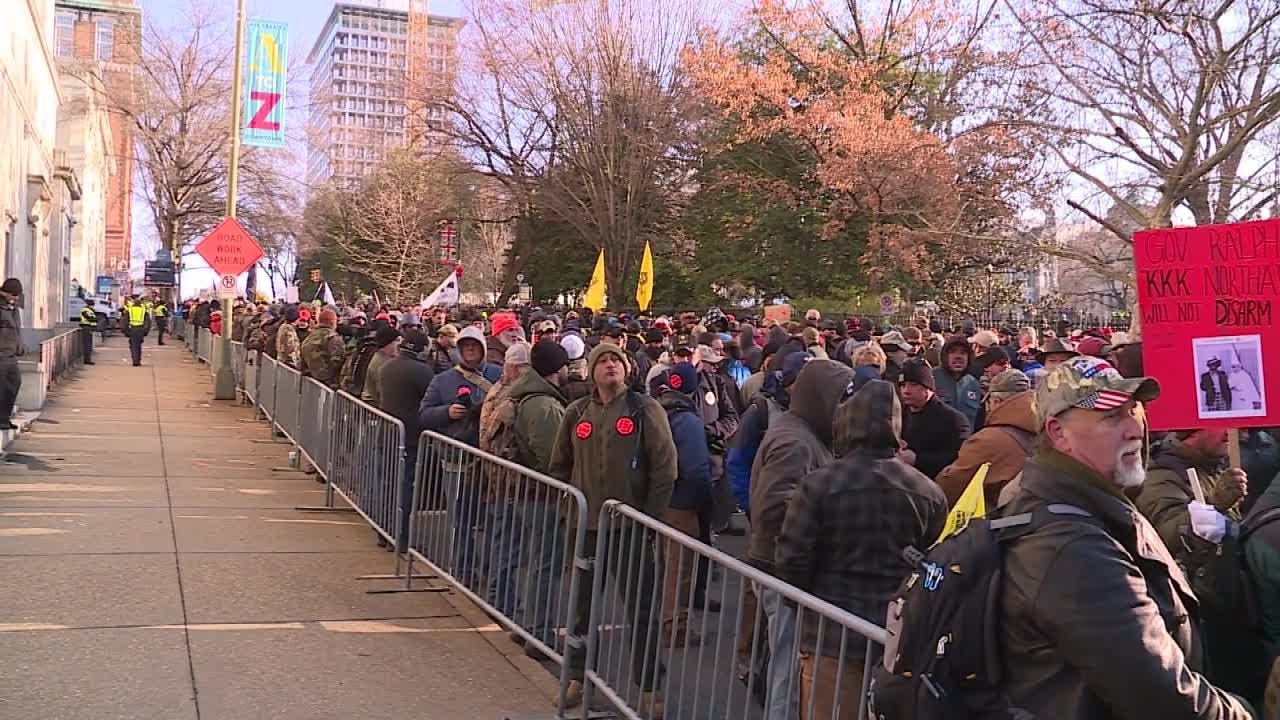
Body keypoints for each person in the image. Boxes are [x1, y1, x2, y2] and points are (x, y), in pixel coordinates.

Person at [997, 355, 1253, 719]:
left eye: (1134, 411)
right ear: (1058, 433)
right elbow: (1163, 695)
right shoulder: (1071, 548)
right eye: (1111, 417)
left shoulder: (1091, 505)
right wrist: (1242, 713)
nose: (1135, 429)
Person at [775, 379, 947, 719]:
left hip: (830, 632)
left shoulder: (819, 484)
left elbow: (792, 558)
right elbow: (928, 561)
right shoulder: (929, 493)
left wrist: (803, 602)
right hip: (895, 639)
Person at [550, 342, 678, 713]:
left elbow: (666, 469)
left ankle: (650, 688)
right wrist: (569, 509)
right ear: (591, 371)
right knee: (581, 607)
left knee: (641, 610)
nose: (610, 365)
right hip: (586, 528)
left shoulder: (644, 409)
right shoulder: (577, 412)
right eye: (602, 361)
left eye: (616, 360)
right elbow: (559, 465)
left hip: (630, 529)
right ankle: (576, 676)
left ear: (627, 368)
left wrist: (648, 519)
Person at [748, 359, 855, 720]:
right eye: (840, 398)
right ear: (820, 397)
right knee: (789, 672)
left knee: (790, 666)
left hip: (786, 569)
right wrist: (825, 534)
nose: (844, 408)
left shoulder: (807, 435)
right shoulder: (796, 442)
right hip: (785, 573)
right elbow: (776, 509)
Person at [1137, 429, 1262, 701]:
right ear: (1191, 432)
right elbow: (1168, 533)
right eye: (1219, 424)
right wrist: (1214, 506)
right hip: (1203, 621)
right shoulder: (1161, 477)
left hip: (1231, 606)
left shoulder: (1215, 466)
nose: (1233, 432)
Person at [502, 339, 571, 659]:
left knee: (537, 561)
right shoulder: (543, 406)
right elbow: (553, 457)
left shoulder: (529, 396)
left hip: (529, 492)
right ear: (557, 369)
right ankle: (538, 631)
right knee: (546, 565)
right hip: (542, 496)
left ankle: (529, 625)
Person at [418, 326, 502, 585]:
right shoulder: (442, 380)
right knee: (461, 519)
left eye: (474, 347)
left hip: (490, 461)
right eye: (466, 347)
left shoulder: (497, 375)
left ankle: (489, 569)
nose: (470, 351)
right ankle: (464, 568)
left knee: (492, 519)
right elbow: (423, 414)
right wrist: (446, 412)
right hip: (458, 461)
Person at [652, 363, 715, 646]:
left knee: (666, 565)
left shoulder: (658, 411)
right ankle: (675, 627)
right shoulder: (688, 420)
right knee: (681, 570)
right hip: (684, 502)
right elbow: (696, 469)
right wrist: (705, 501)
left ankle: (664, 619)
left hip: (662, 499)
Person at [936, 369, 1035, 508]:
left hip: (997, 518)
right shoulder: (1050, 433)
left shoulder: (987, 441)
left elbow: (951, 485)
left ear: (996, 401)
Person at [377, 328, 435, 549]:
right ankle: (400, 536)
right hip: (409, 436)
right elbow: (431, 398)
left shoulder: (387, 366)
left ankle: (384, 531)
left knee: (388, 484)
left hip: (388, 433)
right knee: (405, 487)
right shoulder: (421, 371)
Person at [898, 357, 971, 480]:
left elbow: (959, 459)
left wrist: (917, 459)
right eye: (903, 385)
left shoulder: (953, 420)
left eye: (913, 385)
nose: (906, 391)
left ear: (928, 387)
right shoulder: (899, 414)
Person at [932, 336, 981, 428]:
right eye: (953, 352)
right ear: (945, 356)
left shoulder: (974, 384)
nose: (958, 356)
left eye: (963, 353)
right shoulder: (931, 378)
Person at [298, 309, 346, 388]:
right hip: (328, 382)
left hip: (311, 380)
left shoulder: (310, 335)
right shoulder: (332, 337)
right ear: (332, 322)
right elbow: (339, 359)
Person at [360, 325, 402, 410]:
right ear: (387, 343)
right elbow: (382, 391)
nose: (400, 344)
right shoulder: (380, 363)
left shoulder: (386, 359)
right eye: (397, 340)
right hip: (374, 408)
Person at [0, 279, 22, 427]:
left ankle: (4, 418)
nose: (16, 298)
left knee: (14, 384)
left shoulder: (14, 309)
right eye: (13, 295)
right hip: (1, 355)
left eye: (18, 295)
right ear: (4, 293)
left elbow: (17, 331)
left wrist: (20, 348)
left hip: (12, 355)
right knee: (1, 387)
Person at [124, 293, 149, 367]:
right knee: (138, 345)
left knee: (133, 345)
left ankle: (135, 360)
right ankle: (138, 360)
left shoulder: (130, 310)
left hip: (132, 329)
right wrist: (145, 331)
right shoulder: (143, 311)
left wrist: (126, 331)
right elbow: (148, 322)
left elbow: (124, 322)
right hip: (140, 329)